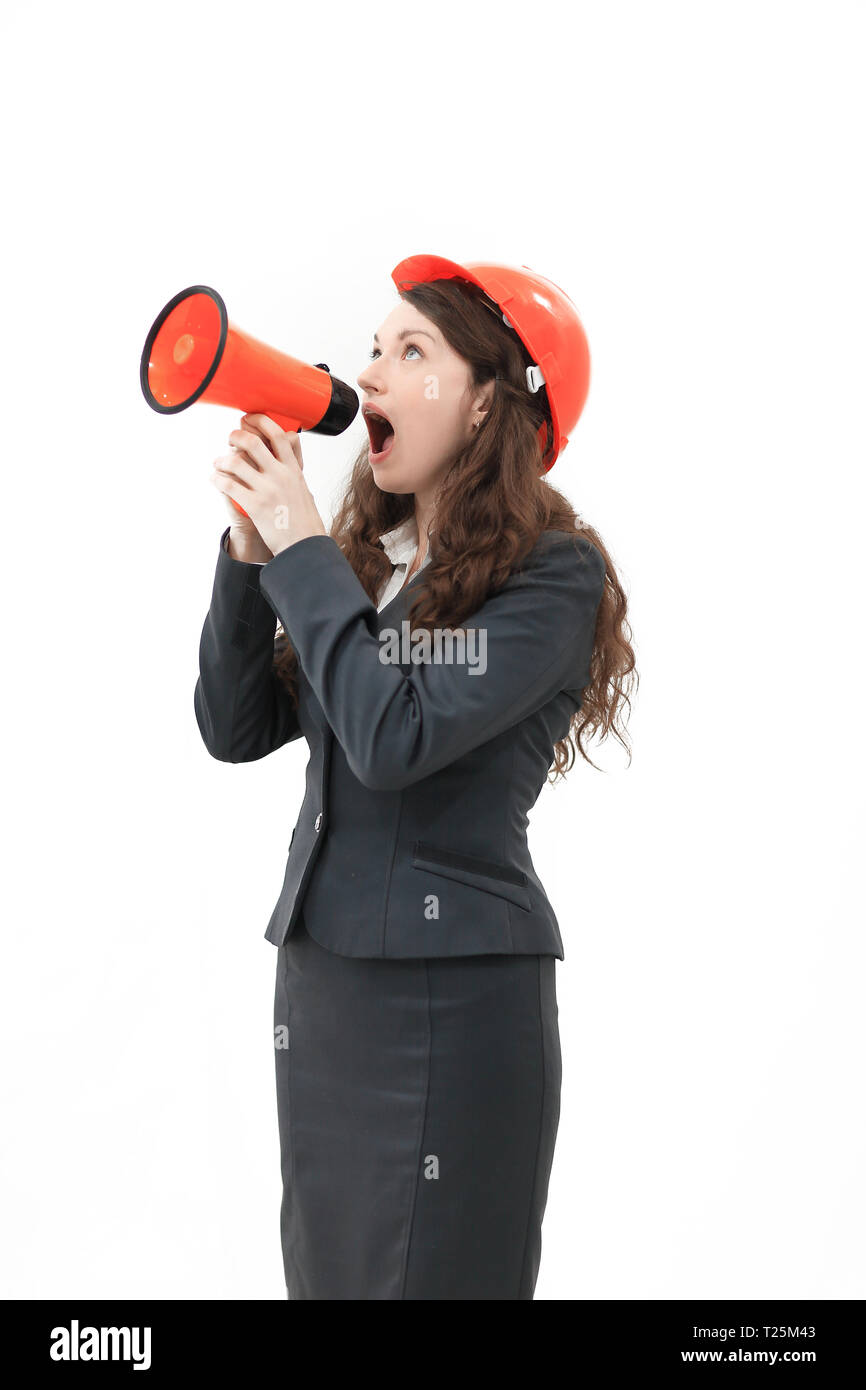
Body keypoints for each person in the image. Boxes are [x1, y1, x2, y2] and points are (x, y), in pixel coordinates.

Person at [194, 256, 636, 1299]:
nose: (372, 375)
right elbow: (234, 722)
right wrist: (251, 550)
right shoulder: (381, 582)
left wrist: (302, 545)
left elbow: (392, 737)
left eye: (410, 352)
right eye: (372, 351)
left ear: (486, 401)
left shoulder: (550, 579)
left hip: (449, 1005)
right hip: (326, 996)